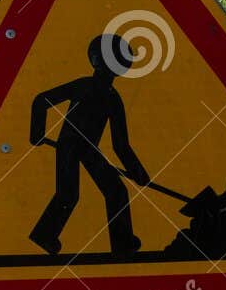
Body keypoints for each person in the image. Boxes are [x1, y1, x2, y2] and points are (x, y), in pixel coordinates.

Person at [27, 33, 149, 257]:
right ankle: (44, 235)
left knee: (117, 191)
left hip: (90, 149)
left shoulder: (112, 98)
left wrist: (138, 172)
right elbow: (41, 101)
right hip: (69, 145)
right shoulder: (84, 87)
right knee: (68, 194)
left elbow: (120, 144)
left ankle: (122, 243)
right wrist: (36, 133)